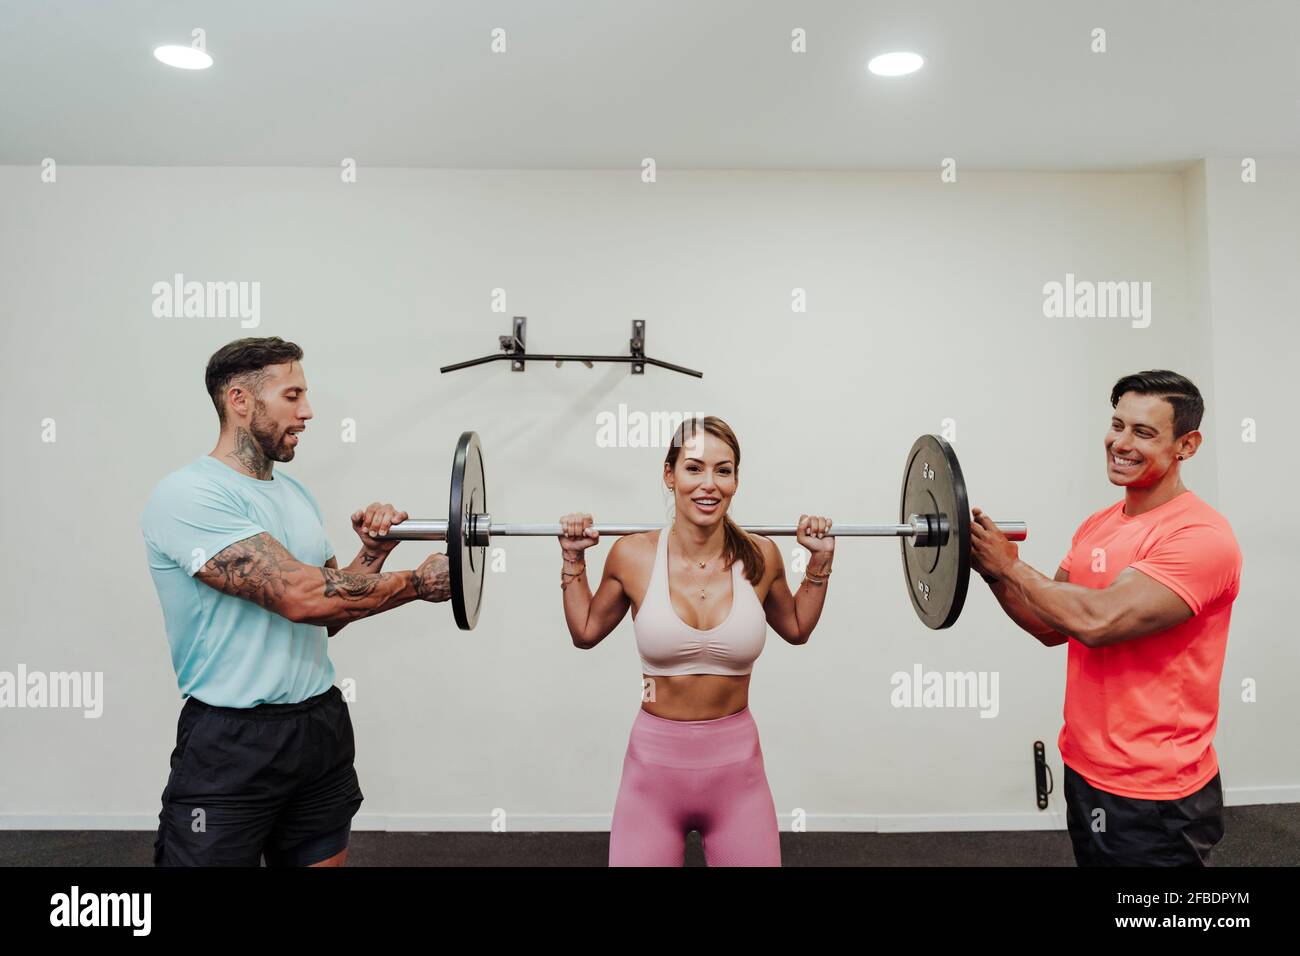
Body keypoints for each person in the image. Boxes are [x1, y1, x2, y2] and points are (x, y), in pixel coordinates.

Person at [140, 336, 450, 866]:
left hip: (318, 725)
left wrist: (372, 555)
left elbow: (329, 613)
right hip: (230, 740)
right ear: (240, 400)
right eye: (292, 396)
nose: (307, 412)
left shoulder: (295, 494)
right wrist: (416, 584)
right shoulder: (188, 495)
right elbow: (301, 597)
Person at [970, 370, 1241, 866]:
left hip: (1156, 789)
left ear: (1188, 444)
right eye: (1117, 425)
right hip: (1085, 766)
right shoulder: (1098, 525)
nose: (1120, 443)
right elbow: (1051, 624)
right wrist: (993, 573)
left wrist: (1011, 565)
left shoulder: (1201, 537)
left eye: (1143, 432)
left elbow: (1098, 621)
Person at [557, 415, 833, 866]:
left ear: (736, 480)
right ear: (670, 475)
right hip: (652, 775)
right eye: (694, 468)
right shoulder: (632, 554)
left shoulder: (762, 554)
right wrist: (572, 559)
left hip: (737, 774)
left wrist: (818, 565)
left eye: (723, 471)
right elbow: (585, 631)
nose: (709, 484)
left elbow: (797, 628)